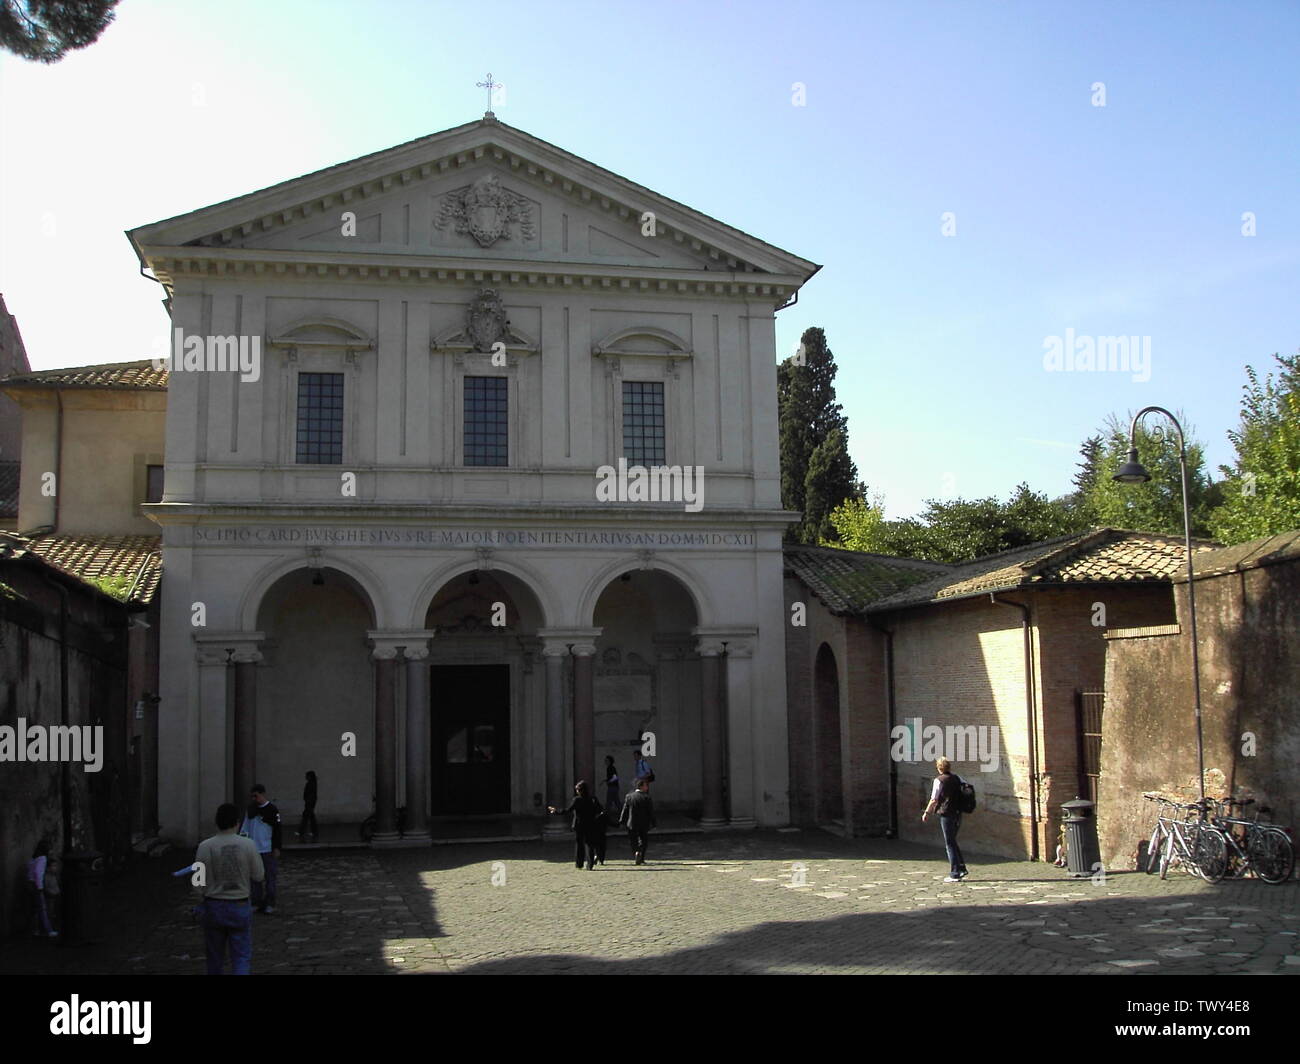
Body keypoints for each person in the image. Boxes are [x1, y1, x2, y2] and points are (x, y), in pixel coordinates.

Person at [194, 802, 264, 975]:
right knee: (241, 956)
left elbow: (197, 882)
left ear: (216, 822)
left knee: (214, 957)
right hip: (239, 904)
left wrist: (201, 899)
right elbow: (259, 875)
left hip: (214, 904)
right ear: (237, 822)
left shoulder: (205, 846)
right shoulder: (248, 845)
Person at [922, 757, 969, 882]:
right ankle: (961, 867)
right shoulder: (957, 778)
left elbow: (934, 799)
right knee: (952, 841)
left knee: (949, 843)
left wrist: (927, 812)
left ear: (939, 768)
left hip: (947, 813)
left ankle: (955, 873)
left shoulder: (939, 781)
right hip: (958, 812)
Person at [242, 784, 282, 912]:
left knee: (270, 877)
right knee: (255, 877)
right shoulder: (250, 810)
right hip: (254, 849)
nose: (254, 799)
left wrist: (276, 847)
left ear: (262, 794)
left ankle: (270, 902)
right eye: (252, 796)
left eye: (256, 796)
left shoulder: (272, 809)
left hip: (267, 848)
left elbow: (277, 830)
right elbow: (245, 828)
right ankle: (256, 901)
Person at [548, 781, 606, 870]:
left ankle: (579, 863)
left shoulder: (577, 800)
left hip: (579, 825)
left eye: (577, 790)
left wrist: (556, 811)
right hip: (591, 824)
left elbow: (568, 810)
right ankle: (590, 864)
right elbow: (600, 810)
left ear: (580, 790)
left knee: (579, 844)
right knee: (589, 844)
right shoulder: (593, 799)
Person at [619, 777, 656, 865]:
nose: (647, 787)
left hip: (632, 822)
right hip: (643, 823)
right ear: (642, 786)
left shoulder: (629, 796)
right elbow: (650, 812)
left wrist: (622, 821)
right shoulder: (646, 797)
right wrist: (653, 823)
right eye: (646, 785)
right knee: (643, 840)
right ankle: (641, 857)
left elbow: (625, 810)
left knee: (633, 840)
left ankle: (636, 851)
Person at [26, 839, 57, 938]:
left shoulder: (33, 858)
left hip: (30, 884)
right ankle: (48, 930)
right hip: (36, 885)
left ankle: (35, 930)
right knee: (42, 908)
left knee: (34, 909)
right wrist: (40, 887)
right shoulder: (42, 859)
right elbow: (38, 873)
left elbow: (30, 871)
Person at [296, 770, 318, 841]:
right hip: (310, 804)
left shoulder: (310, 784)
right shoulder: (313, 783)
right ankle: (314, 832)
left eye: (307, 776)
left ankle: (301, 832)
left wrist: (308, 804)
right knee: (311, 818)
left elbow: (310, 795)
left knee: (305, 818)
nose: (305, 777)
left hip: (309, 804)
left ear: (310, 776)